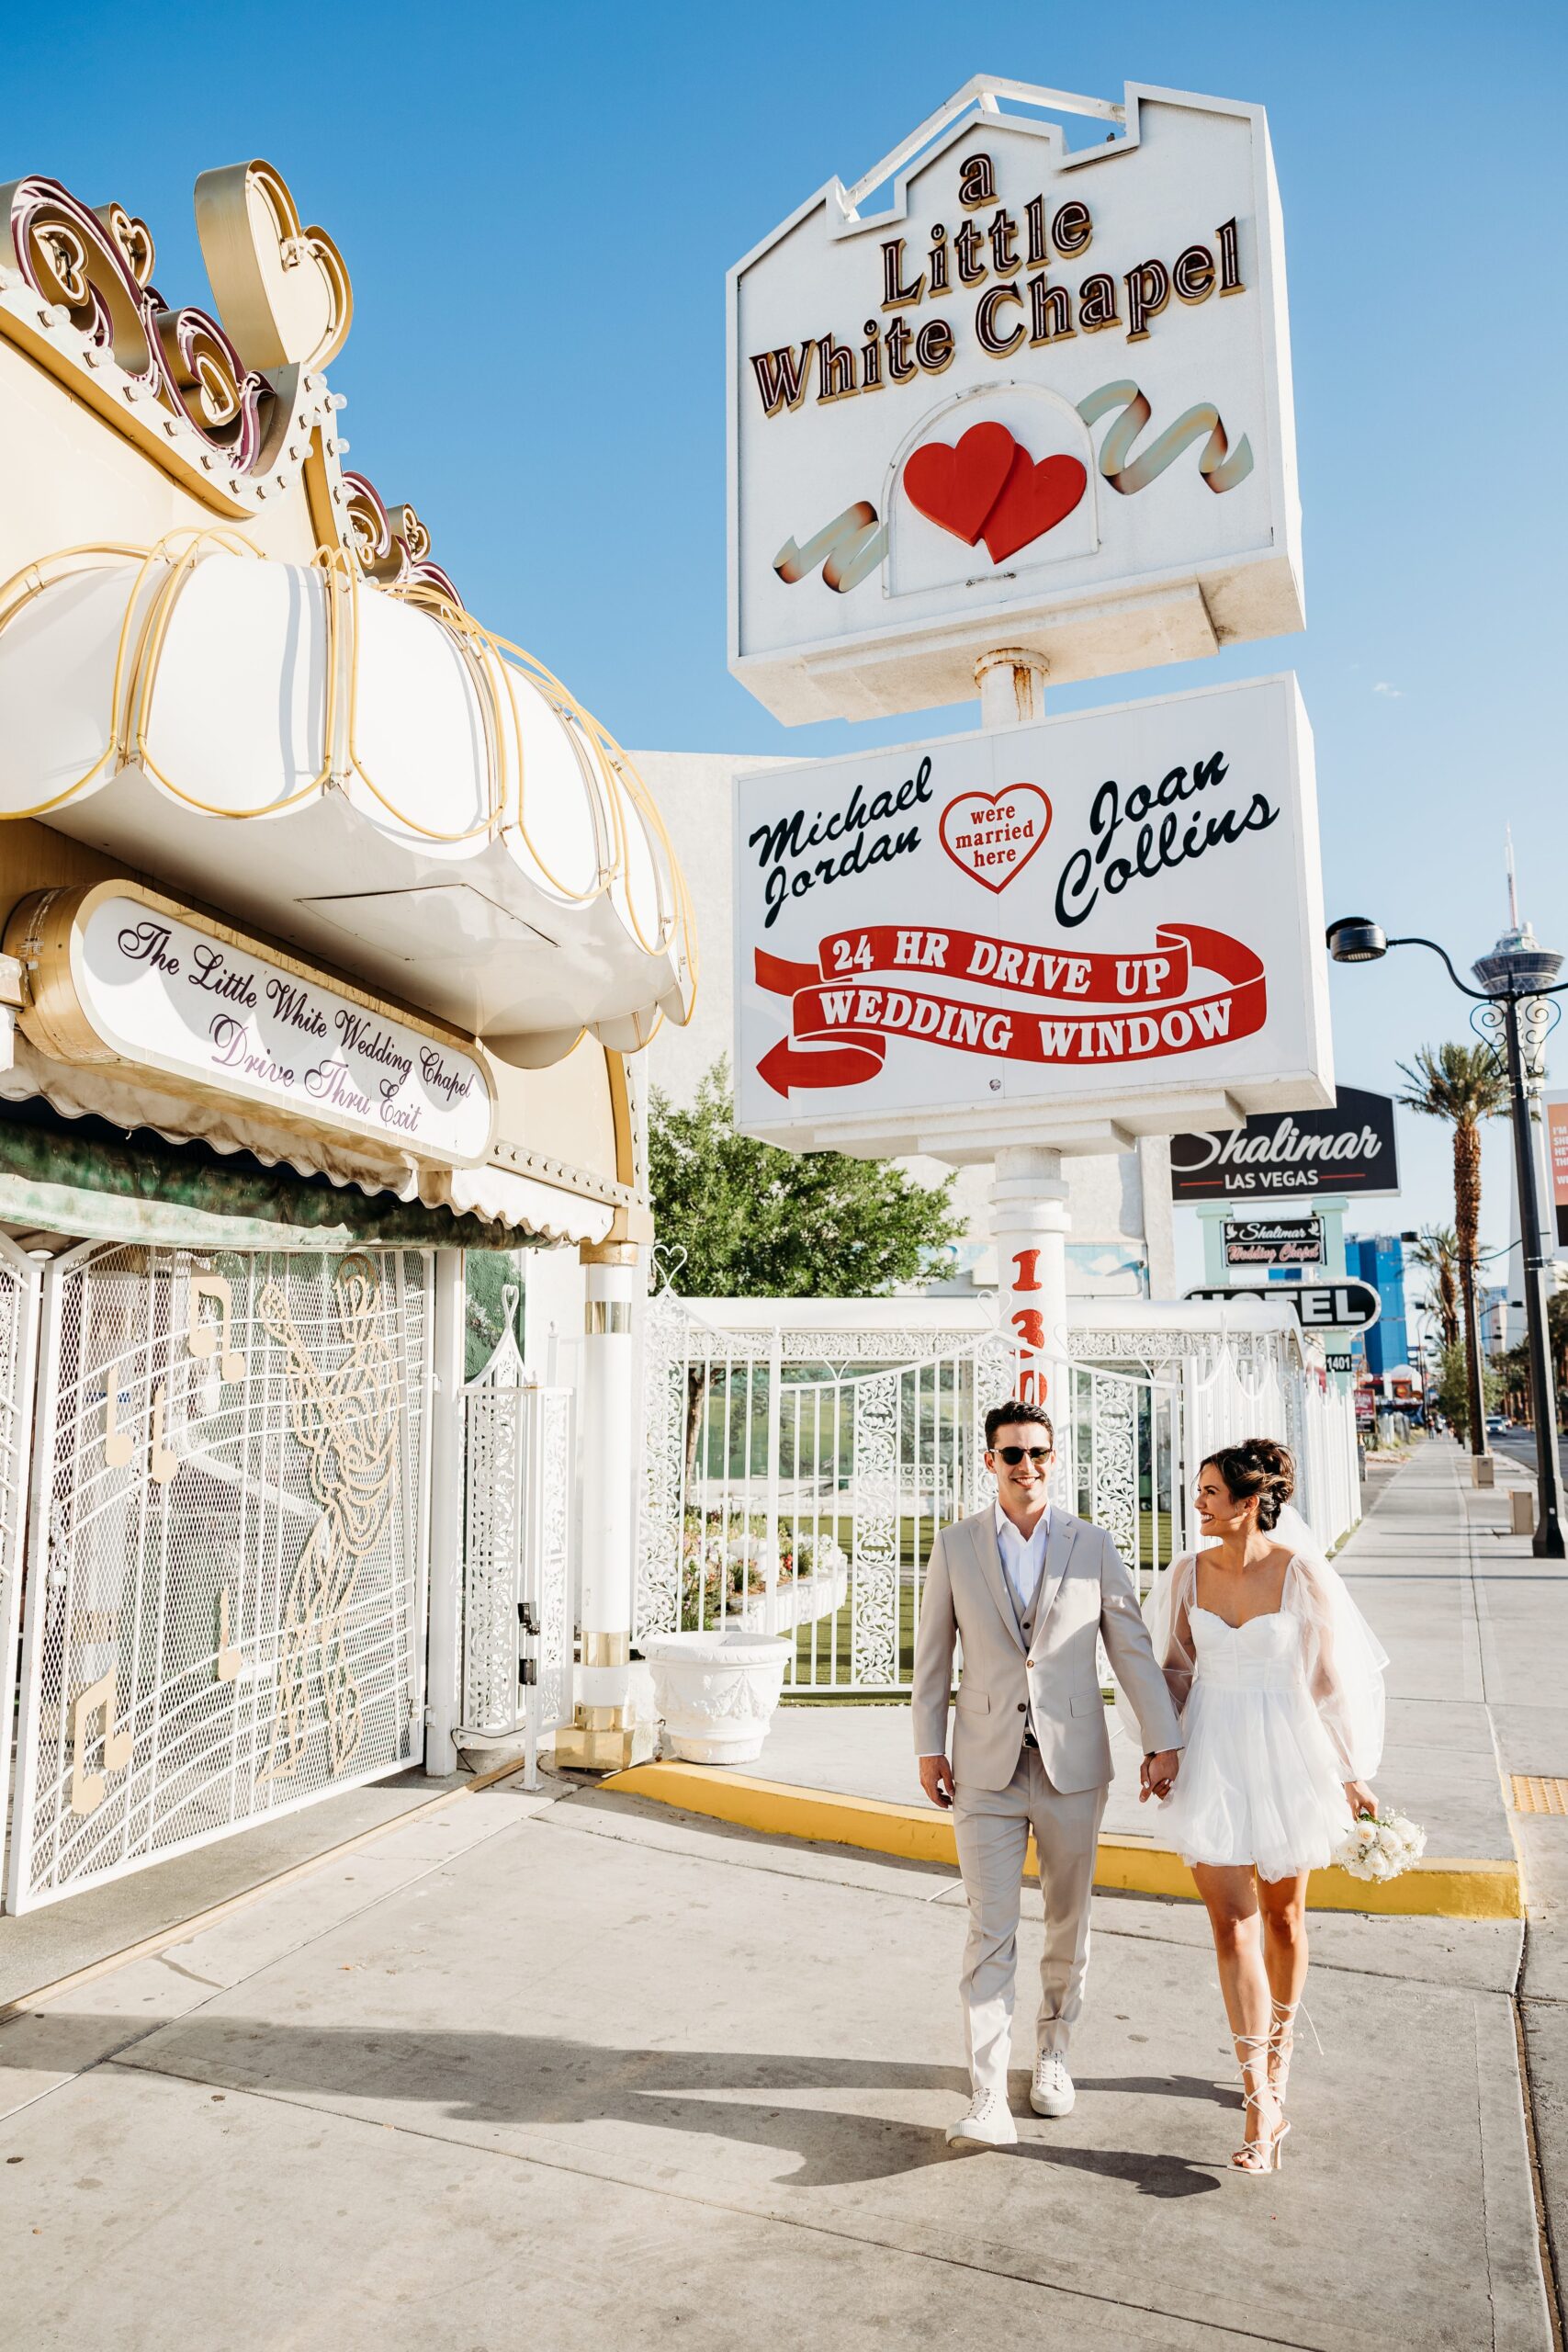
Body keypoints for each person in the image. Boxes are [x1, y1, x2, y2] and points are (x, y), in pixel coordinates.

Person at [911, 1398, 1184, 2152]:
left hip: (1072, 1768)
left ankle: (1054, 2053)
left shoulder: (1091, 1544)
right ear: (988, 1461)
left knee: (1068, 1923)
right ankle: (988, 2092)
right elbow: (932, 1658)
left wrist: (1162, 1740)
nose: (1025, 1466)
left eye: (1037, 1453)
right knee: (988, 1929)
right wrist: (928, 1749)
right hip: (984, 1769)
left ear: (1053, 1459)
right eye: (1011, 1454)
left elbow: (1129, 1646)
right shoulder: (956, 1546)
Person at [1145, 1437, 1387, 2173]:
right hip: (1212, 1752)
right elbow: (1173, 1672)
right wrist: (1160, 1747)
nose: (1198, 1503)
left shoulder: (1300, 1575)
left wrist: (1350, 1773)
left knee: (1282, 1917)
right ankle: (1259, 2098)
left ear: (1249, 1503)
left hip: (1287, 1753)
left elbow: (1325, 1682)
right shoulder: (1186, 1575)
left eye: (1210, 1493)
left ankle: (1277, 2057)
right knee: (1231, 1926)